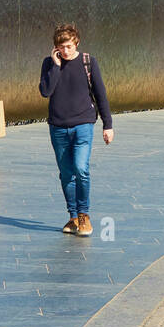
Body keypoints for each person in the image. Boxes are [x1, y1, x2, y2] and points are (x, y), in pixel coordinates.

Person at [39, 24, 114, 238]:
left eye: (69, 46)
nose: (66, 51)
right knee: (66, 174)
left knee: (81, 169)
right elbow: (45, 91)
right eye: (61, 47)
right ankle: (72, 216)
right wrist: (55, 65)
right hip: (58, 126)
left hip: (83, 124)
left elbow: (100, 94)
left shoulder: (88, 62)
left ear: (77, 43)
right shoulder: (49, 63)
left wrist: (107, 125)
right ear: (55, 48)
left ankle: (84, 215)